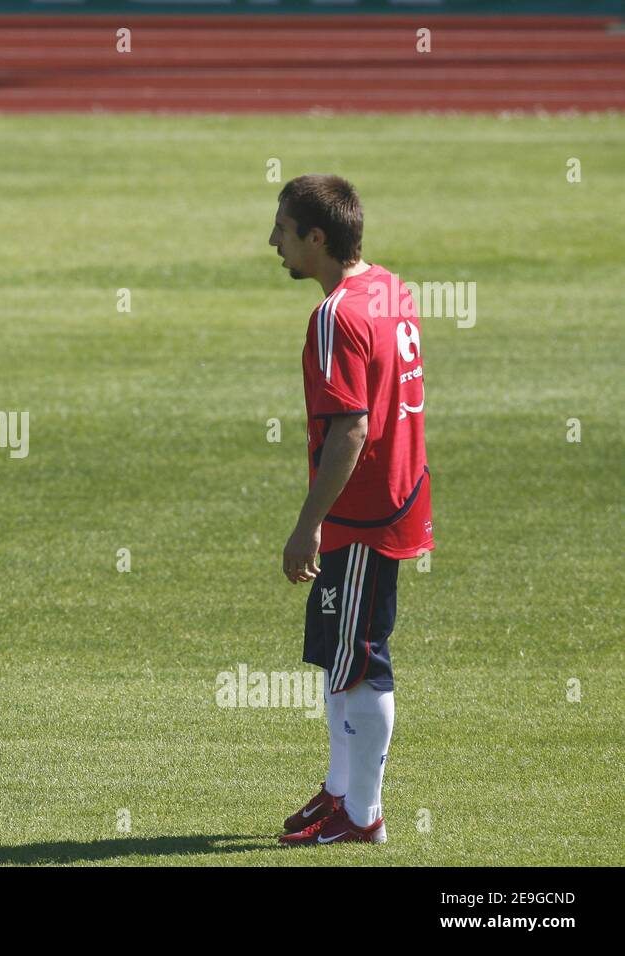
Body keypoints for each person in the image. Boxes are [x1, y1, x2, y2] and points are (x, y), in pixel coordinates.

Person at [268, 175, 433, 845]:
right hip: (391, 496)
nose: (271, 241)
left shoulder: (336, 316)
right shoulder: (390, 288)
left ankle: (361, 815)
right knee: (339, 654)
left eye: (281, 229)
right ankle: (340, 791)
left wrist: (308, 524)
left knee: (362, 657)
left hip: (364, 513)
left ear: (316, 237)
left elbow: (352, 429)